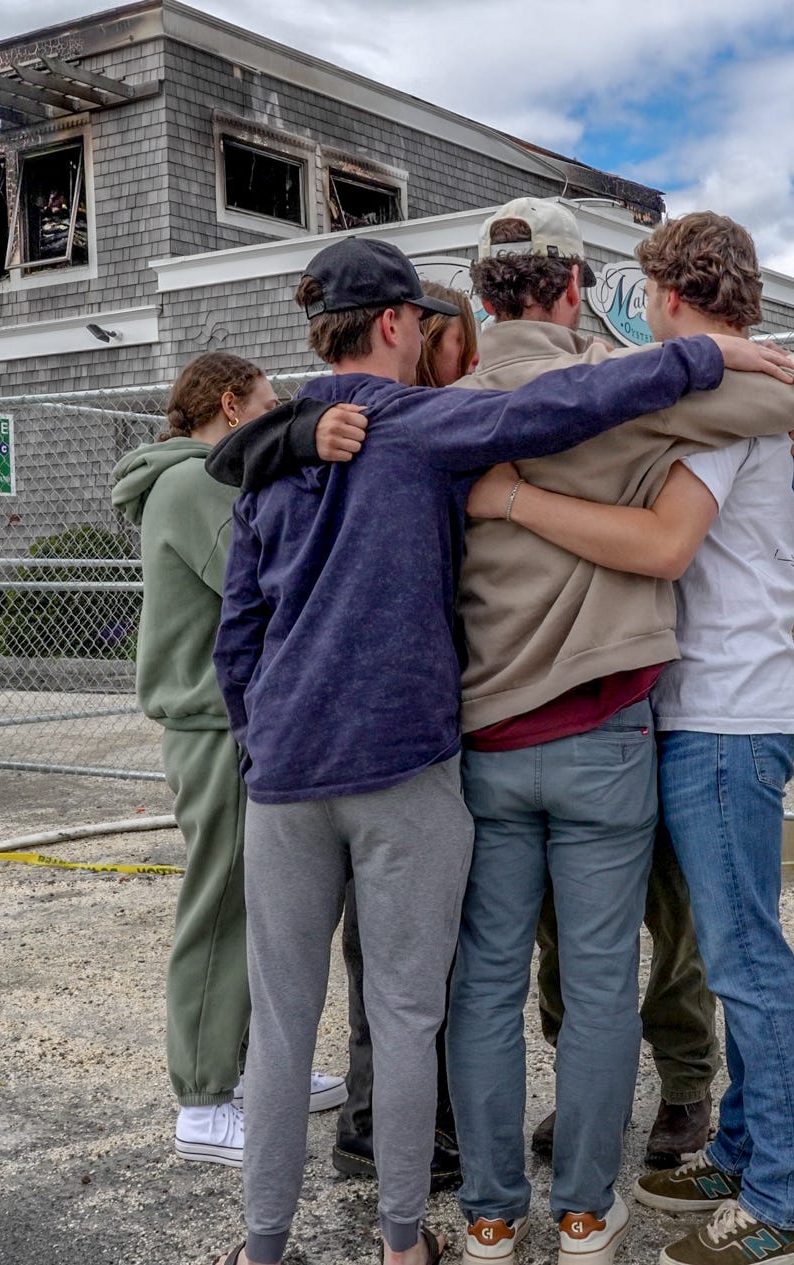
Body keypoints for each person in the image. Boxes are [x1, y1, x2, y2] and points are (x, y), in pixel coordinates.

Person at [206, 237, 794, 1265]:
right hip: (492, 750)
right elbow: (562, 412)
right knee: (492, 998)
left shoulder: (303, 441)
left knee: (378, 1002)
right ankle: (523, 1221)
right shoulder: (459, 420)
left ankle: (405, 1225)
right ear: (401, 324)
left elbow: (239, 624)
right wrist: (708, 358)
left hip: (362, 761)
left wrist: (263, 737)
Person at [442, 200, 794, 1265]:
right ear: (575, 291)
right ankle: (715, 1157)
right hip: (656, 712)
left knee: (737, 955)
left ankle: (786, 1195)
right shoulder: (687, 403)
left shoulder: (711, 405)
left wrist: (513, 500)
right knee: (671, 954)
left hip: (713, 709)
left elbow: (665, 545)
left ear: (662, 300)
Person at [110, 353, 360, 1167]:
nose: (280, 414)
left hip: (238, 726)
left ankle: (250, 1071)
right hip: (213, 729)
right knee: (220, 911)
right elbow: (267, 574)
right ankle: (204, 1098)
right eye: (270, 403)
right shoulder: (190, 485)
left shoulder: (201, 482)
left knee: (262, 910)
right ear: (230, 404)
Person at [335, 279, 480, 1189]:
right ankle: (414, 1128)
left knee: (378, 946)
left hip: (352, 731)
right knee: (427, 950)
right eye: (450, 335)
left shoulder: (347, 429)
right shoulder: (426, 434)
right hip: (423, 727)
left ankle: (373, 1119)